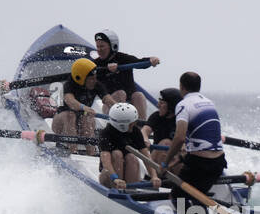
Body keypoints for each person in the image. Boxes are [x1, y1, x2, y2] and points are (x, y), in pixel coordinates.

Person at [159, 72, 226, 204]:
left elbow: (179, 138)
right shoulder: (209, 103)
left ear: (181, 87)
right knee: (197, 198)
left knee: (176, 198)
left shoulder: (183, 105)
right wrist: (176, 161)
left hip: (199, 164)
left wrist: (165, 163)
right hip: (219, 162)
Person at [93, 30, 160, 119]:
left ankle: (140, 128)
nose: (99, 50)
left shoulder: (123, 58)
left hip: (131, 104)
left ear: (112, 46)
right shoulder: (95, 65)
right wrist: (106, 69)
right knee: (120, 93)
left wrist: (152, 59)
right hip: (109, 105)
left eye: (102, 46)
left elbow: (140, 62)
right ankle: (118, 125)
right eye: (97, 47)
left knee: (138, 95)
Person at [97, 103, 159, 191]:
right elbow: (105, 161)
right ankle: (117, 189)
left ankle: (131, 190)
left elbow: (146, 157)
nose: (134, 124)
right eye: (132, 123)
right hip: (109, 176)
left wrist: (154, 176)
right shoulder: (105, 133)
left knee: (131, 157)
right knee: (117, 154)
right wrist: (115, 178)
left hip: (126, 179)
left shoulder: (135, 131)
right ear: (122, 125)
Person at [53, 58, 101, 155]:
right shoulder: (69, 85)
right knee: (70, 115)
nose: (94, 81)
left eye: (95, 77)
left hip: (82, 126)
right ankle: (73, 153)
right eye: (91, 79)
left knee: (86, 118)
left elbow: (108, 99)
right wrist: (84, 107)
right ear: (81, 78)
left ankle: (91, 155)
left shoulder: (96, 84)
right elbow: (70, 101)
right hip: (62, 125)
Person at [141, 87, 182, 170]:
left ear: (171, 106)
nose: (158, 105)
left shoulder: (182, 120)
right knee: (166, 143)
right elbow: (144, 130)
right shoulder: (156, 116)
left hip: (175, 160)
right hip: (156, 160)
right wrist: (145, 139)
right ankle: (160, 175)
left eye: (162, 103)